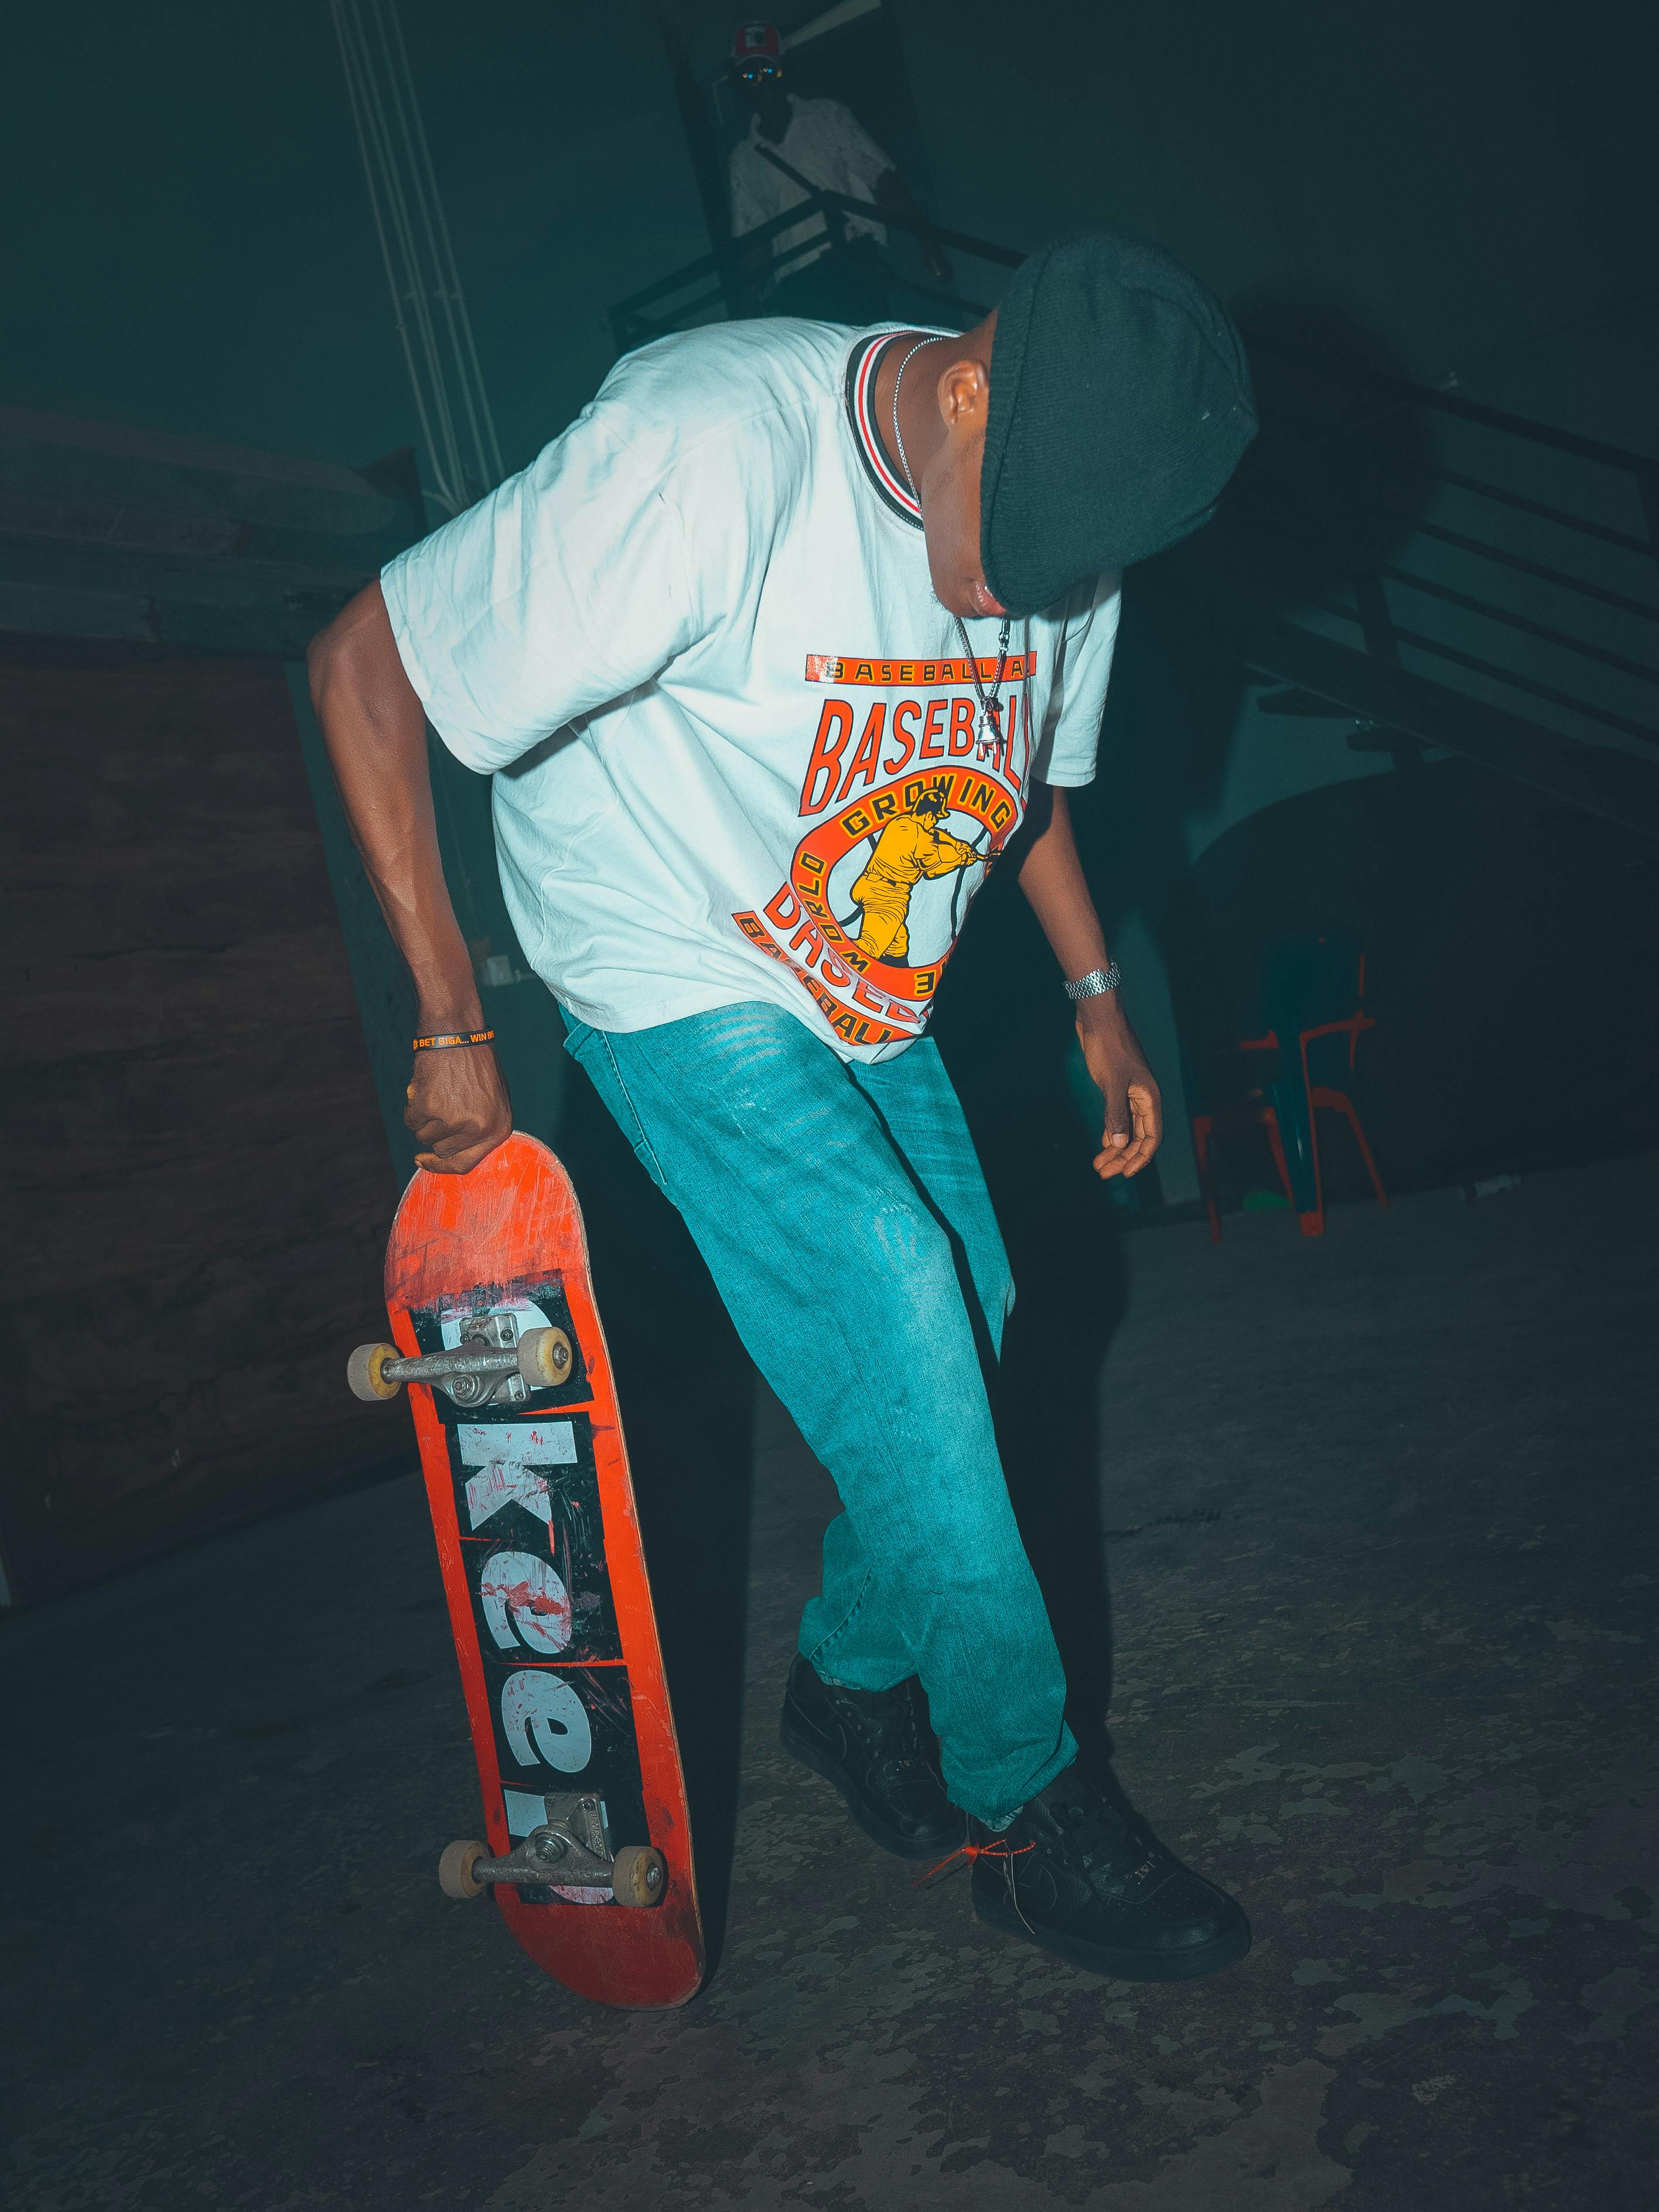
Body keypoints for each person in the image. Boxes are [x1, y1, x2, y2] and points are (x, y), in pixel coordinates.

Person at [308, 231, 1259, 1983]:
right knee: (891, 1288)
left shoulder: (1063, 530)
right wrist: (448, 1010)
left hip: (858, 970)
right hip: (662, 949)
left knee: (964, 1319)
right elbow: (364, 668)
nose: (1003, 608)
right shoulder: (703, 452)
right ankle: (1028, 1803)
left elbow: (1024, 781)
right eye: (999, 563)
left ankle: (844, 1675)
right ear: (964, 383)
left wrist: (1096, 1000)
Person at [726, 19, 949, 324]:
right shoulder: (743, 159)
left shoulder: (827, 117)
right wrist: (749, 309)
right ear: (739, 83)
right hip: (797, 287)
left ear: (785, 71)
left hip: (849, 265)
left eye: (770, 71)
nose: (762, 83)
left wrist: (927, 240)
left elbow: (882, 179)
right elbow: (754, 240)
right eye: (751, 74)